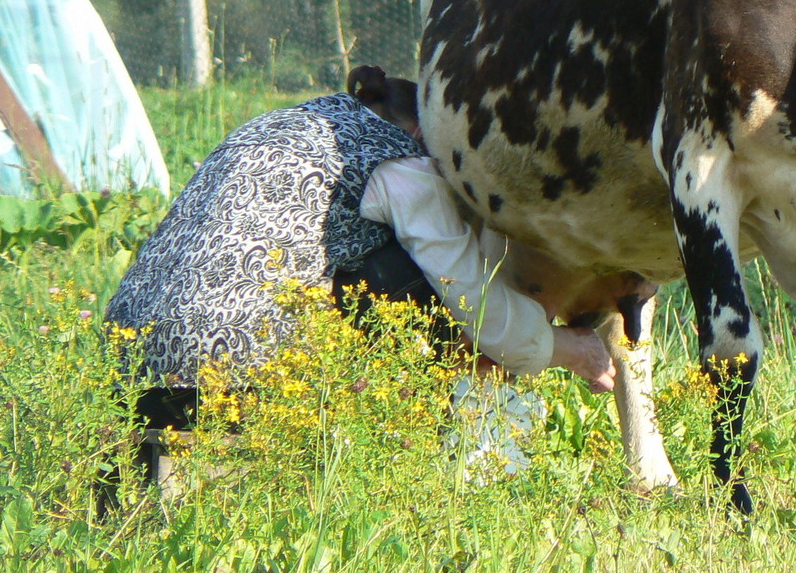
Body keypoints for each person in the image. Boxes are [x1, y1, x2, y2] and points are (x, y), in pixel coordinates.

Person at [104, 65, 615, 431]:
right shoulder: (403, 166)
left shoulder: (282, 124)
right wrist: (566, 349)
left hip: (123, 368)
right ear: (423, 131)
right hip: (223, 378)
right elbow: (473, 303)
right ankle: (457, 448)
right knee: (413, 277)